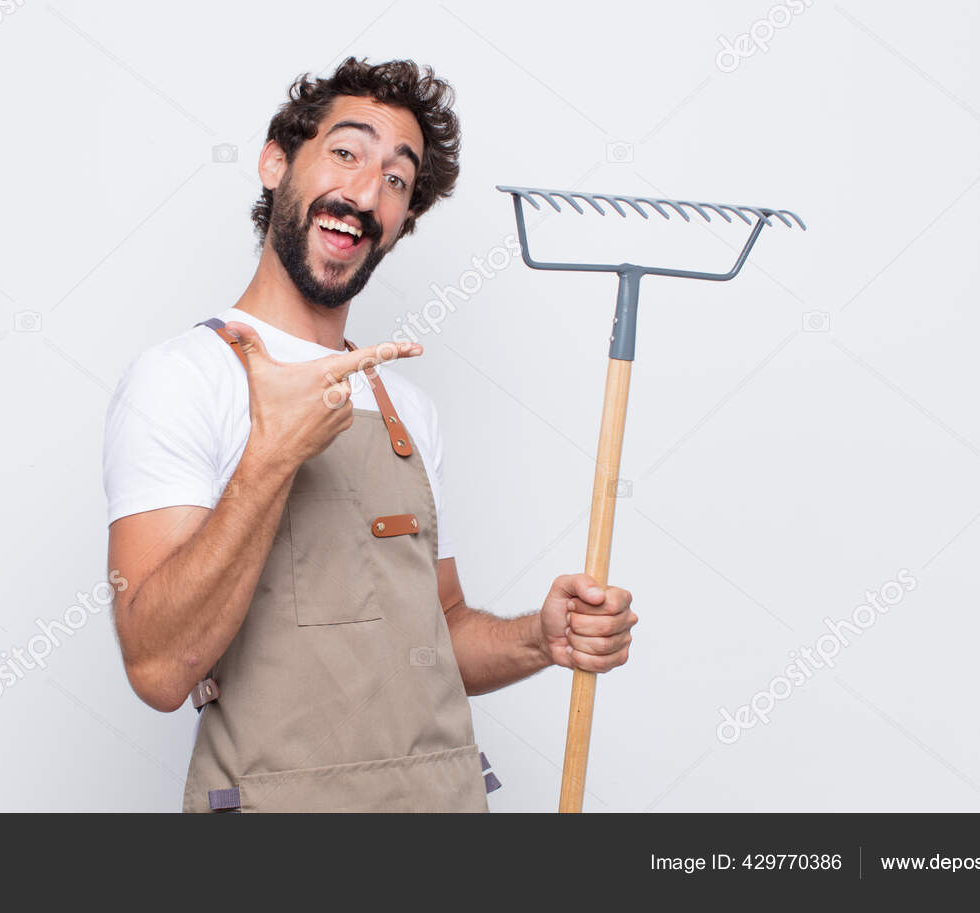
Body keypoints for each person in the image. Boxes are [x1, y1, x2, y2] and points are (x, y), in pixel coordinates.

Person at [102, 57, 637, 812]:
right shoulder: (183, 378)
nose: (364, 193)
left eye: (397, 180)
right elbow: (158, 668)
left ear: (401, 223)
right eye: (347, 153)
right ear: (276, 162)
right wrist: (272, 455)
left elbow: (438, 629)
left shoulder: (405, 410)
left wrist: (537, 639)